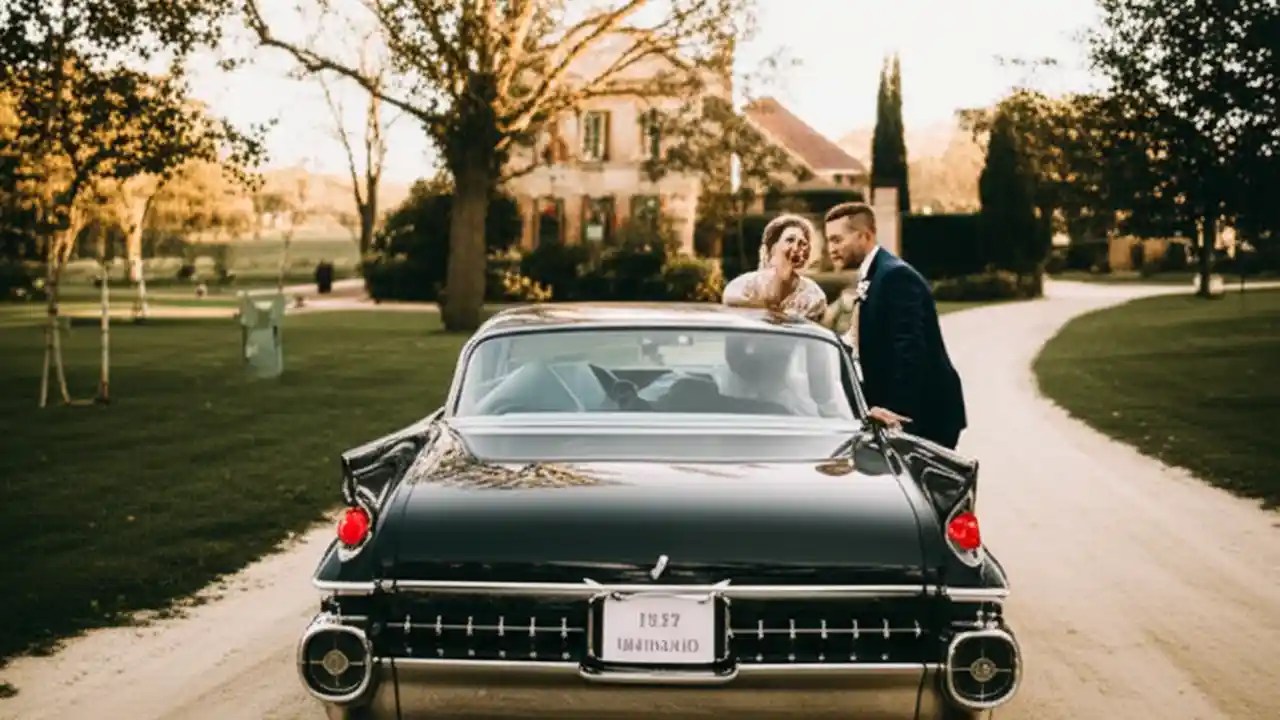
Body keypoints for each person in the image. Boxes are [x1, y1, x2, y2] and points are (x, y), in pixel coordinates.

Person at [823, 201, 967, 449]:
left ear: (864, 236)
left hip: (924, 416)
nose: (831, 249)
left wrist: (894, 415)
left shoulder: (895, 276)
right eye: (829, 241)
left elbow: (909, 350)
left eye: (837, 240)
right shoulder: (874, 274)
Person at [722, 214, 827, 320]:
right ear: (772, 248)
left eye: (803, 244)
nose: (796, 248)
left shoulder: (813, 297)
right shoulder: (743, 287)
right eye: (790, 240)